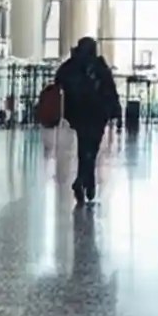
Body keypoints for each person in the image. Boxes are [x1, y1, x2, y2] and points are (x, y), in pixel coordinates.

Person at [56, 37, 119, 204]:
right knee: (91, 149)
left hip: (78, 114)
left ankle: (85, 181)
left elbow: (59, 79)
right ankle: (84, 181)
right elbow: (110, 89)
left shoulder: (71, 65)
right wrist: (115, 112)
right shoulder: (99, 66)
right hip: (98, 115)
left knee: (84, 148)